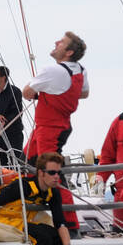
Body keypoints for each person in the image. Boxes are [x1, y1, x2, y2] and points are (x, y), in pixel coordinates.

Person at [22, 31, 88, 161]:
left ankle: (60, 182)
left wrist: (46, 89)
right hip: (58, 126)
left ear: (69, 53)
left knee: (49, 167)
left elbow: (26, 93)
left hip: (49, 129)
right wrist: (56, 92)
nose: (56, 43)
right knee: (27, 162)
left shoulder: (52, 71)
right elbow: (84, 93)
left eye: (62, 42)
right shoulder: (80, 70)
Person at [0, 65, 24, 166]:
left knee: (16, 162)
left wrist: (4, 119)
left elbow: (17, 111)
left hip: (13, 132)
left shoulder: (15, 91)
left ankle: (17, 181)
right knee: (1, 163)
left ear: (3, 77)